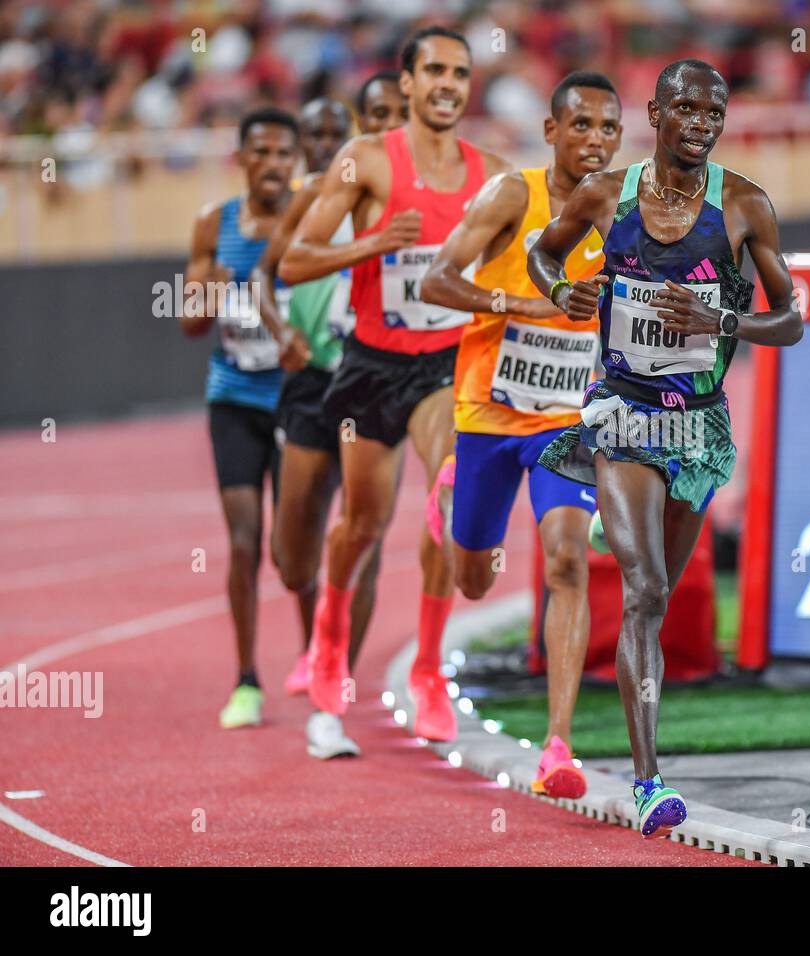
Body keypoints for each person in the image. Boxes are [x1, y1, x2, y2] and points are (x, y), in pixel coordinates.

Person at [527, 59, 803, 836]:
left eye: (715, 112)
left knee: (661, 594)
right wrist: (561, 291)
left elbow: (791, 321)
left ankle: (644, 751)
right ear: (655, 111)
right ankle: (649, 783)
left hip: (699, 425)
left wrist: (718, 324)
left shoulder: (745, 205)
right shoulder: (603, 194)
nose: (701, 123)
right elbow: (544, 254)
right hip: (623, 412)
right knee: (644, 590)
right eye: (685, 109)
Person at [280, 27, 511, 741]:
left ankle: (428, 668)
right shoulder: (367, 161)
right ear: (406, 84)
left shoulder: (495, 176)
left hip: (448, 366)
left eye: (460, 72)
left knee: (448, 484)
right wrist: (372, 243)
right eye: (434, 70)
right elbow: (294, 260)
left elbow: (525, 267)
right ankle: (327, 633)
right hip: (371, 365)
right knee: (361, 525)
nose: (448, 82)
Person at [419, 71, 622, 796]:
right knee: (473, 580)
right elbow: (435, 280)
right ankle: (449, 506)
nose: (594, 141)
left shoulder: (625, 214)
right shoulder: (513, 195)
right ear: (551, 132)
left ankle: (557, 747)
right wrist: (521, 303)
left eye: (608, 128)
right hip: (487, 418)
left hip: (569, 422)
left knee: (568, 561)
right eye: (581, 126)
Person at [250, 83, 405, 759]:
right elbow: (265, 275)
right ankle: (318, 636)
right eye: (308, 138)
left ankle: (332, 689)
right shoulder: (316, 197)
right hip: (310, 384)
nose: (317, 148)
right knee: (290, 555)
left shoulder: (407, 195)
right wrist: (279, 328)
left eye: (326, 134)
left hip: (372, 376)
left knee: (363, 536)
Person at [179, 107, 300, 729]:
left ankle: (313, 665)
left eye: (285, 153)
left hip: (298, 398)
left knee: (292, 550)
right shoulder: (214, 224)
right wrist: (209, 286)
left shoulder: (311, 216)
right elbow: (190, 324)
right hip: (234, 396)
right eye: (262, 152)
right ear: (243, 158)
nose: (273, 164)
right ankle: (247, 678)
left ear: (296, 161)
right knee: (246, 540)